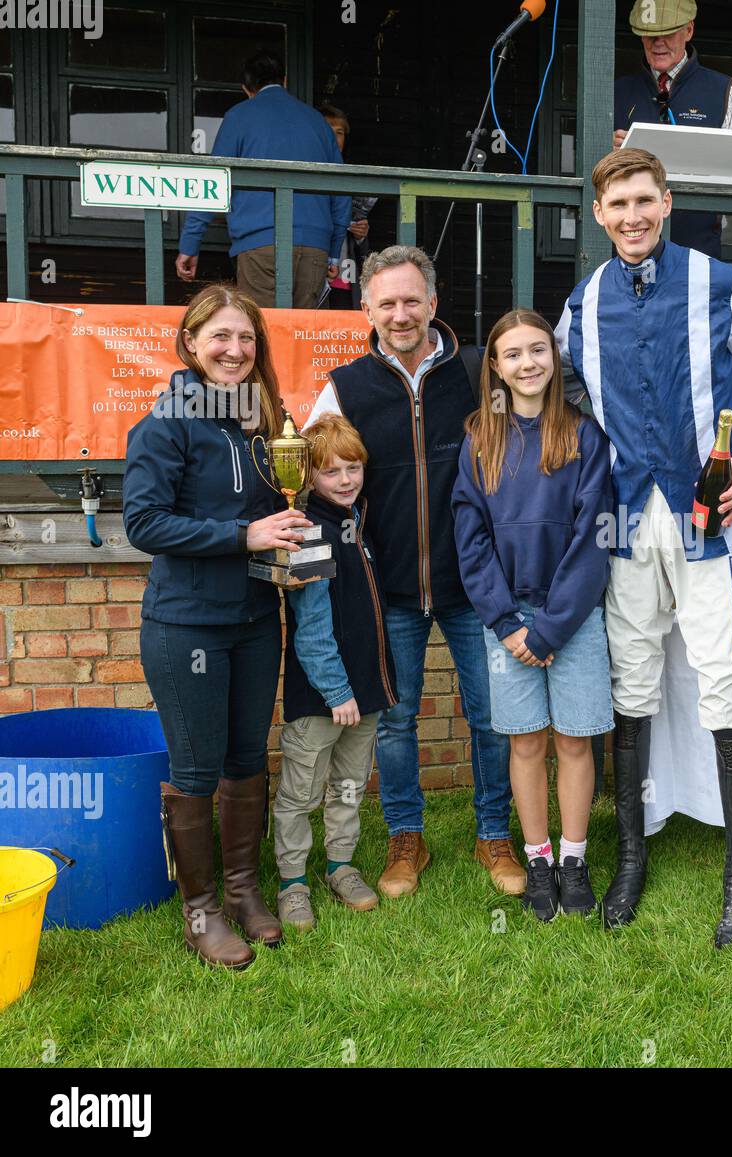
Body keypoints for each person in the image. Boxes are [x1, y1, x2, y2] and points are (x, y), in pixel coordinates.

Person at [556, 148, 732, 947]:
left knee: (725, 687)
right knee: (632, 688)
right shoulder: (581, 304)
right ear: (599, 216)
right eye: (615, 205)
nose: (630, 216)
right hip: (625, 520)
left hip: (708, 517)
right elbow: (559, 395)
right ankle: (630, 857)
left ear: (666, 202)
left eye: (643, 200)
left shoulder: (719, 282)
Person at [305, 245, 525, 899]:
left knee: (489, 716)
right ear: (366, 308)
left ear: (433, 303)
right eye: (386, 302)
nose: (400, 314)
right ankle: (407, 837)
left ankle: (495, 834)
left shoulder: (479, 372)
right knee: (396, 723)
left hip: (474, 585)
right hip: (388, 588)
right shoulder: (343, 387)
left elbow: (521, 458)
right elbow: (314, 480)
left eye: (411, 300)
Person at [124, 283, 312, 969]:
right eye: (220, 338)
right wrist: (245, 533)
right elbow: (144, 522)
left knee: (244, 760)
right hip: (187, 625)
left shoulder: (266, 420)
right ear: (191, 344)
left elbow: (279, 506)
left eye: (246, 339)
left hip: (258, 618)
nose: (235, 350)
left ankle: (242, 890)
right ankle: (199, 909)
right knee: (196, 769)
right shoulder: (164, 423)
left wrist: (296, 527)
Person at [452, 310, 615, 921]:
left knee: (575, 740)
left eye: (538, 351)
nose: (528, 363)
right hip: (508, 622)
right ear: (495, 365)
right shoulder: (480, 440)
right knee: (526, 743)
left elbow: (593, 538)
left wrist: (551, 626)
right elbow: (470, 540)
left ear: (554, 357)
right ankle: (538, 857)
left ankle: (574, 858)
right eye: (513, 354)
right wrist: (506, 621)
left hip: (571, 619)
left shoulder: (583, 436)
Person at [274, 413, 397, 930]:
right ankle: (292, 881)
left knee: (349, 785)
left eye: (353, 468)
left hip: (363, 693)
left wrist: (360, 691)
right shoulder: (308, 531)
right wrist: (337, 690)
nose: (345, 480)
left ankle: (340, 865)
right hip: (324, 696)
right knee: (302, 789)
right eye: (331, 472)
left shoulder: (358, 524)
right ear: (309, 477)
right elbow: (312, 628)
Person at [176, 52, 351, 308]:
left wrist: (190, 243)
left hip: (260, 245)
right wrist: (334, 253)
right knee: (300, 339)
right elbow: (342, 190)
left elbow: (213, 182)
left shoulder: (239, 116)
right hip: (315, 247)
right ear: (285, 81)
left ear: (246, 89)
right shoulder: (317, 121)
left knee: (263, 336)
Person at [612, 0, 732, 259]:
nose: (658, 42)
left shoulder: (721, 90)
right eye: (650, 34)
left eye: (668, 32)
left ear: (689, 30)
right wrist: (607, 154)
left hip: (698, 249)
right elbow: (596, 177)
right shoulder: (618, 91)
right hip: (628, 250)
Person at [319, 103, 377, 310]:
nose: (335, 138)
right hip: (314, 271)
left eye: (340, 132)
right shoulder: (306, 174)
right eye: (328, 132)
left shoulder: (352, 178)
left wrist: (361, 235)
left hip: (345, 275)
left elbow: (366, 252)